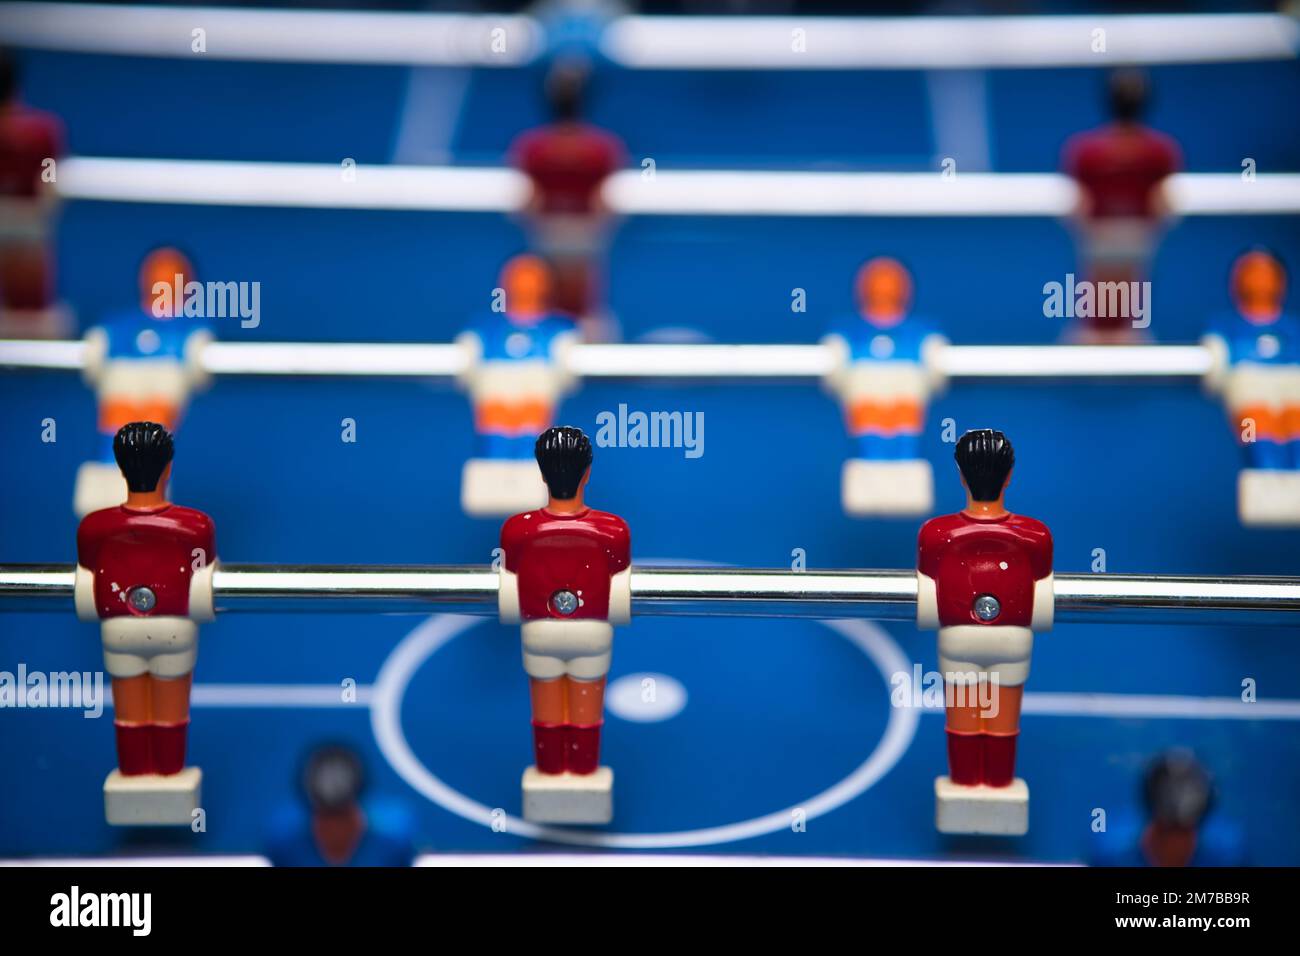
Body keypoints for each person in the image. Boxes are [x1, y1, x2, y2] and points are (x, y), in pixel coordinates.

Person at [75, 422, 214, 824]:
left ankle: (135, 776)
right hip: (175, 630)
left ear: (119, 469)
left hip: (118, 630)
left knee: (130, 714)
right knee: (171, 714)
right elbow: (204, 576)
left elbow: (87, 570)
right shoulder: (195, 526)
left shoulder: (94, 527)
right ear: (168, 468)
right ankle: (169, 776)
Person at [917, 429, 1053, 836]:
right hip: (1013, 638)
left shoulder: (935, 534)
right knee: (1002, 720)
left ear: (960, 476)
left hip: (958, 636)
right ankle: (996, 785)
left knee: (962, 720)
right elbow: (1042, 592)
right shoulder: (1036, 535)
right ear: (1009, 476)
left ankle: (964, 786)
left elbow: (926, 591)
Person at [499, 425, 630, 824]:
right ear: (587, 473)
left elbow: (509, 595)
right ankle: (584, 773)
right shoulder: (613, 531)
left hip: (539, 634)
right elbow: (621, 596)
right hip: (592, 634)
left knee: (547, 713)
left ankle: (552, 773)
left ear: (540, 474)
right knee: (587, 714)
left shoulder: (517, 530)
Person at [75, 247, 213, 517]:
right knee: (117, 421)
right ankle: (109, 503)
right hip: (121, 385)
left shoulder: (186, 330)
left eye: (174, 275)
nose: (164, 281)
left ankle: (149, 499)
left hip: (163, 387)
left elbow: (197, 353)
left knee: (155, 427)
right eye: (158, 273)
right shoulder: (122, 325)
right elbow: (99, 343)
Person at [1061, 69, 1182, 343]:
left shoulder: (1085, 151)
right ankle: (1114, 333)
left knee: (1105, 306)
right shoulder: (1161, 151)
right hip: (1128, 240)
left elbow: (1078, 208)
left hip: (1107, 240)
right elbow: (1164, 205)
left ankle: (1103, 334)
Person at [509, 59, 625, 341]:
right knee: (580, 305)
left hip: (549, 233)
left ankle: (547, 339)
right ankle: (583, 338)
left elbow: (528, 202)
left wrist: (539, 227)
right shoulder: (601, 148)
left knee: (551, 300)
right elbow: (605, 204)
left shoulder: (532, 148)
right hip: (585, 235)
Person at [456, 255, 580, 516]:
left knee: (531, 432)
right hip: (494, 406)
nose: (526, 286)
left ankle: (531, 484)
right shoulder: (486, 329)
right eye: (519, 278)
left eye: (533, 279)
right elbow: (466, 361)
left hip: (535, 408)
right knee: (495, 431)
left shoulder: (556, 330)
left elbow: (567, 370)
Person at [822, 257, 947, 516]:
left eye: (891, 282)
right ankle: (872, 486)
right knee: (870, 428)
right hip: (865, 394)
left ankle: (902, 486)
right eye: (876, 282)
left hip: (906, 394)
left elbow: (936, 365)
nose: (884, 288)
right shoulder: (851, 332)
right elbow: (834, 365)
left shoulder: (917, 332)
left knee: (904, 428)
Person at [1202, 249, 1300, 525]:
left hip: (1291, 383)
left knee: (1294, 422)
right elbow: (1216, 353)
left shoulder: (1291, 327)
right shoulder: (1227, 325)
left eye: (1265, 272)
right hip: (1251, 384)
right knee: (1255, 427)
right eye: (1251, 271)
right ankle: (1266, 475)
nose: (1258, 279)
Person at [0, 47, 66, 338]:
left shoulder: (42, 133)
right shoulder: (44, 132)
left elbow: (49, 178)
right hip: (30, 241)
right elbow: (49, 184)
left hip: (28, 241)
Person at [265, 744, 416, 867]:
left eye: (342, 820)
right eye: (327, 823)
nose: (335, 831)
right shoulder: (284, 843)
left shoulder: (393, 840)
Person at [1089, 750, 1246, 867]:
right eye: (1168, 792)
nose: (1178, 801)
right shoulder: (1112, 852)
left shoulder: (1227, 854)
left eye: (1189, 792)